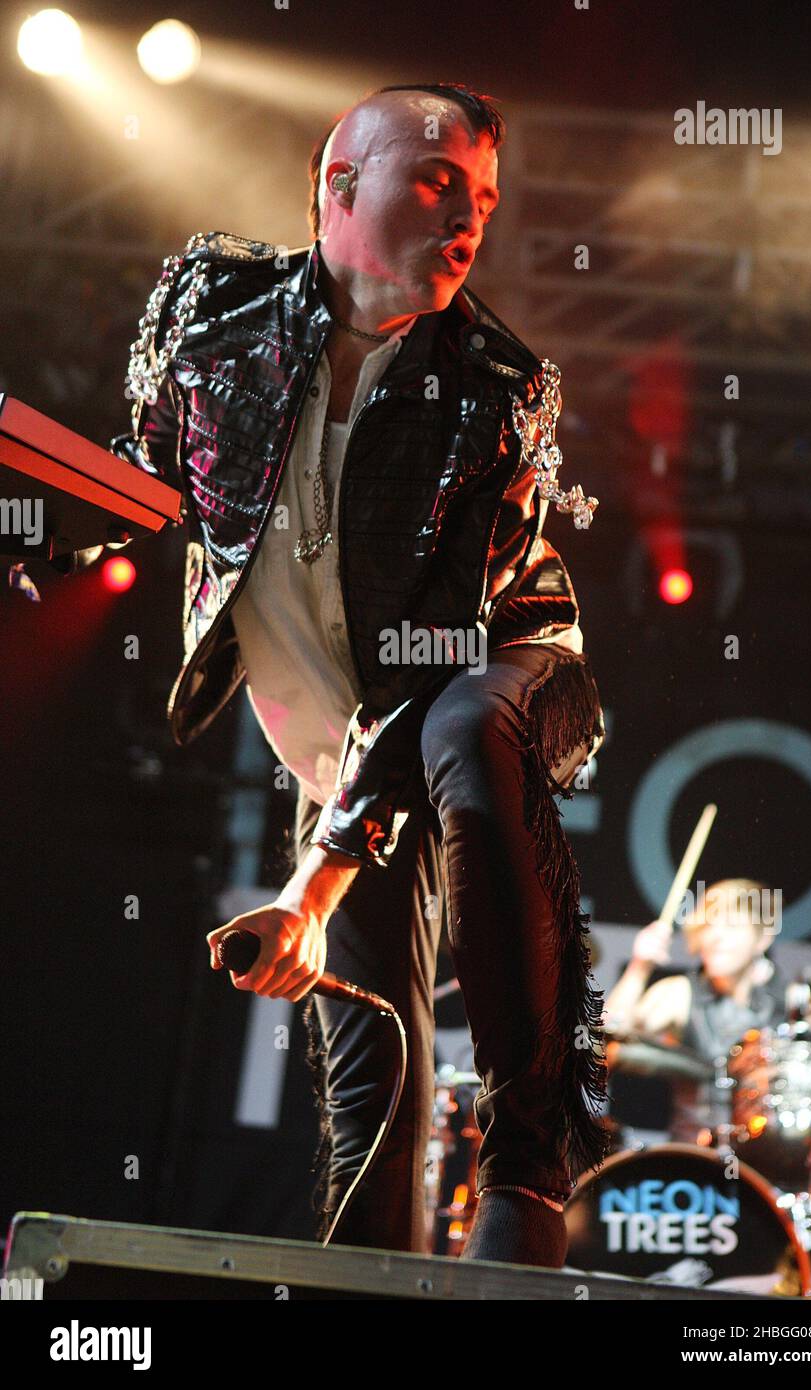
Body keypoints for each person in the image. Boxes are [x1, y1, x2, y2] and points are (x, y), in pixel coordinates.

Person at [98, 82, 610, 1271]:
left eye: (484, 194)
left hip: (502, 669)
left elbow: (433, 655)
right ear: (337, 188)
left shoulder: (492, 385)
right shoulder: (215, 308)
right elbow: (143, 480)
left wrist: (310, 885)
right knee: (369, 1059)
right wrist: (42, 521)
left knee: (465, 727)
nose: (469, 213)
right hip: (344, 738)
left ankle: (527, 1170)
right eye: (439, 180)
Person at [605, 878, 811, 1142]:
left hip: (770, 1162)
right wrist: (639, 967)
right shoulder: (680, 993)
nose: (715, 937)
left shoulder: (796, 999)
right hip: (694, 1163)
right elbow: (608, 1038)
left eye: (731, 925)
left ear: (763, 937)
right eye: (708, 926)